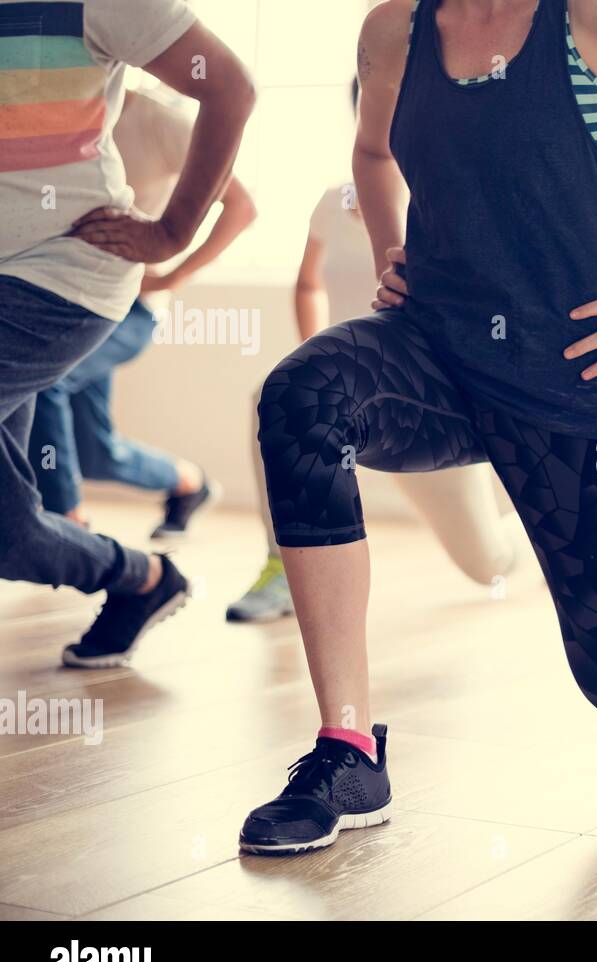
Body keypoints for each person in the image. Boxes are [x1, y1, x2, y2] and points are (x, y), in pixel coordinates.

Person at [238, 0, 597, 856]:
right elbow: (371, 149)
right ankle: (348, 750)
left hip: (573, 384)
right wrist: (393, 249)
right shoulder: (394, 29)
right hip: (431, 351)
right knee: (301, 397)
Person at [0, 0, 254, 668]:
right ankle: (140, 579)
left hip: (62, 276)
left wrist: (172, 233)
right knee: (8, 535)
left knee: (90, 443)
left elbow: (229, 83)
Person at [228, 78, 527, 623]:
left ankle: (540, 532)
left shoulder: (452, 200)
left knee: (490, 565)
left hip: (422, 402)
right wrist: (311, 364)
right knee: (266, 398)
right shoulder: (332, 202)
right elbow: (307, 285)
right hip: (349, 391)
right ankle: (281, 567)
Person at [25, 88, 253, 539]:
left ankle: (67, 527)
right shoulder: (50, 116)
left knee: (44, 378)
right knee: (95, 453)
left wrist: (169, 277)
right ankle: (190, 484)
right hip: (72, 302)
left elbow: (241, 208)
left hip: (132, 309)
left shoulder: (159, 122)